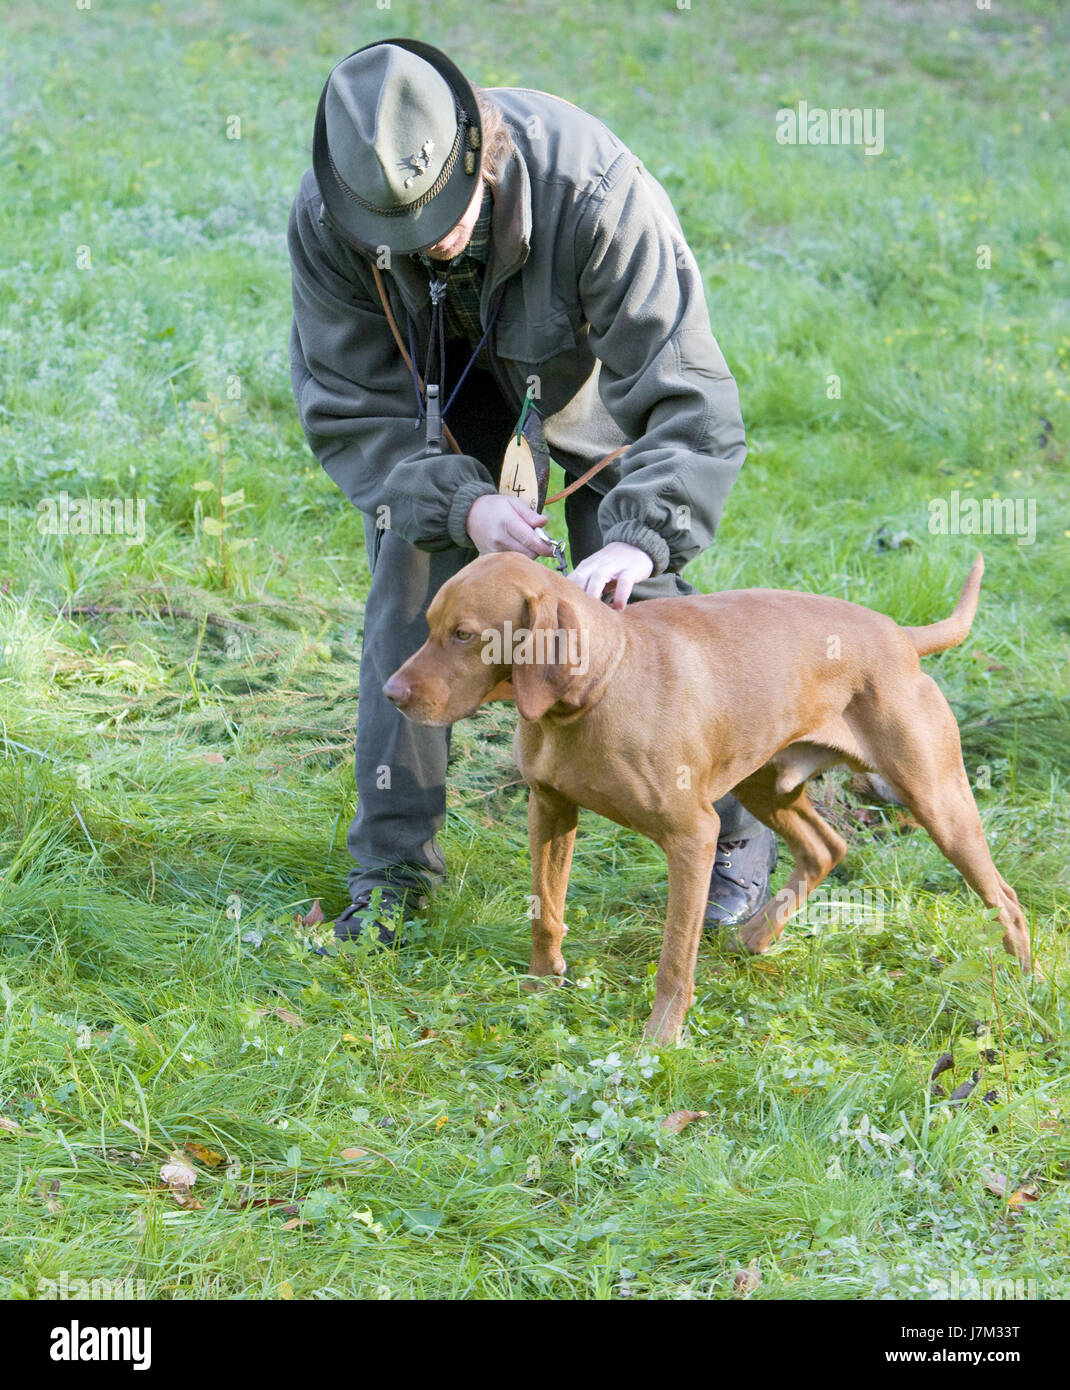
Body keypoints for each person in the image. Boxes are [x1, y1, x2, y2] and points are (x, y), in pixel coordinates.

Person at [288, 37, 777, 945]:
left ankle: (740, 838)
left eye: (440, 217)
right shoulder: (330, 218)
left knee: (644, 601)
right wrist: (461, 505)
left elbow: (690, 399)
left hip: (592, 396)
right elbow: (355, 411)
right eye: (394, 234)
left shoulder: (596, 194)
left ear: (484, 151)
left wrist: (641, 534)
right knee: (411, 597)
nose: (423, 244)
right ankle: (393, 873)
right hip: (435, 409)